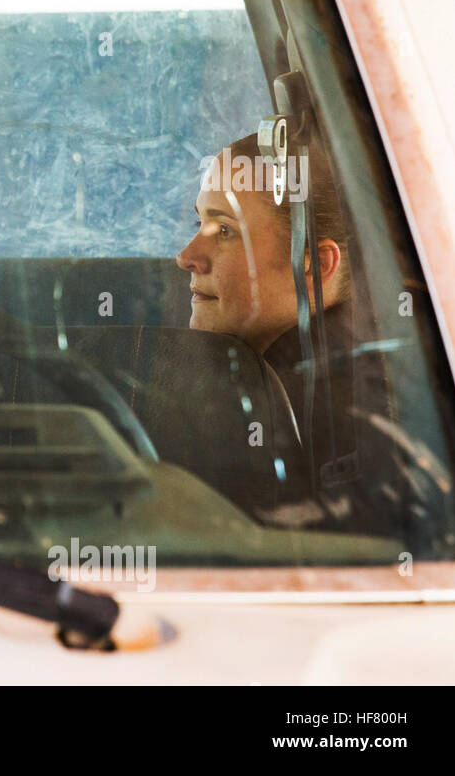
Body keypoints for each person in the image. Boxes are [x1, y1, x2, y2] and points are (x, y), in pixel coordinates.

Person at [176, 132, 425, 541]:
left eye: (224, 231)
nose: (186, 256)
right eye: (198, 223)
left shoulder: (347, 414)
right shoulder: (283, 375)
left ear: (314, 266)